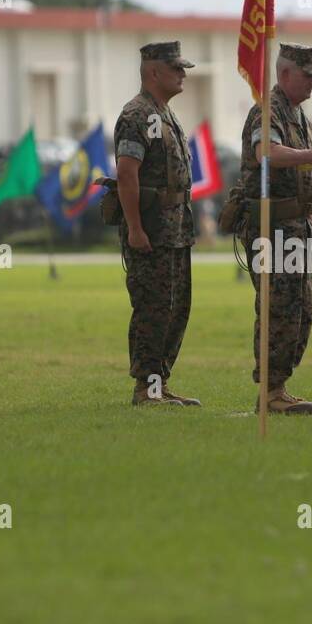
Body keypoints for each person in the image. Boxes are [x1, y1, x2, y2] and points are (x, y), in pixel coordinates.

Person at [239, 43, 312, 414]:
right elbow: (267, 153)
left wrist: (308, 220)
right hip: (271, 229)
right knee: (278, 307)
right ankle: (270, 393)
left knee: (301, 309)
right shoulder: (267, 112)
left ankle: (279, 387)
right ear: (285, 75)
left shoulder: (299, 117)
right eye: (308, 77)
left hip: (293, 226)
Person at [113, 41, 202, 407]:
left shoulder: (164, 113)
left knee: (176, 307)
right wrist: (135, 228)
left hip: (175, 229)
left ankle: (159, 385)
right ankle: (146, 390)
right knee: (152, 308)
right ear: (153, 72)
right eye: (175, 67)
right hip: (151, 230)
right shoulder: (137, 115)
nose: (183, 74)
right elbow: (126, 174)